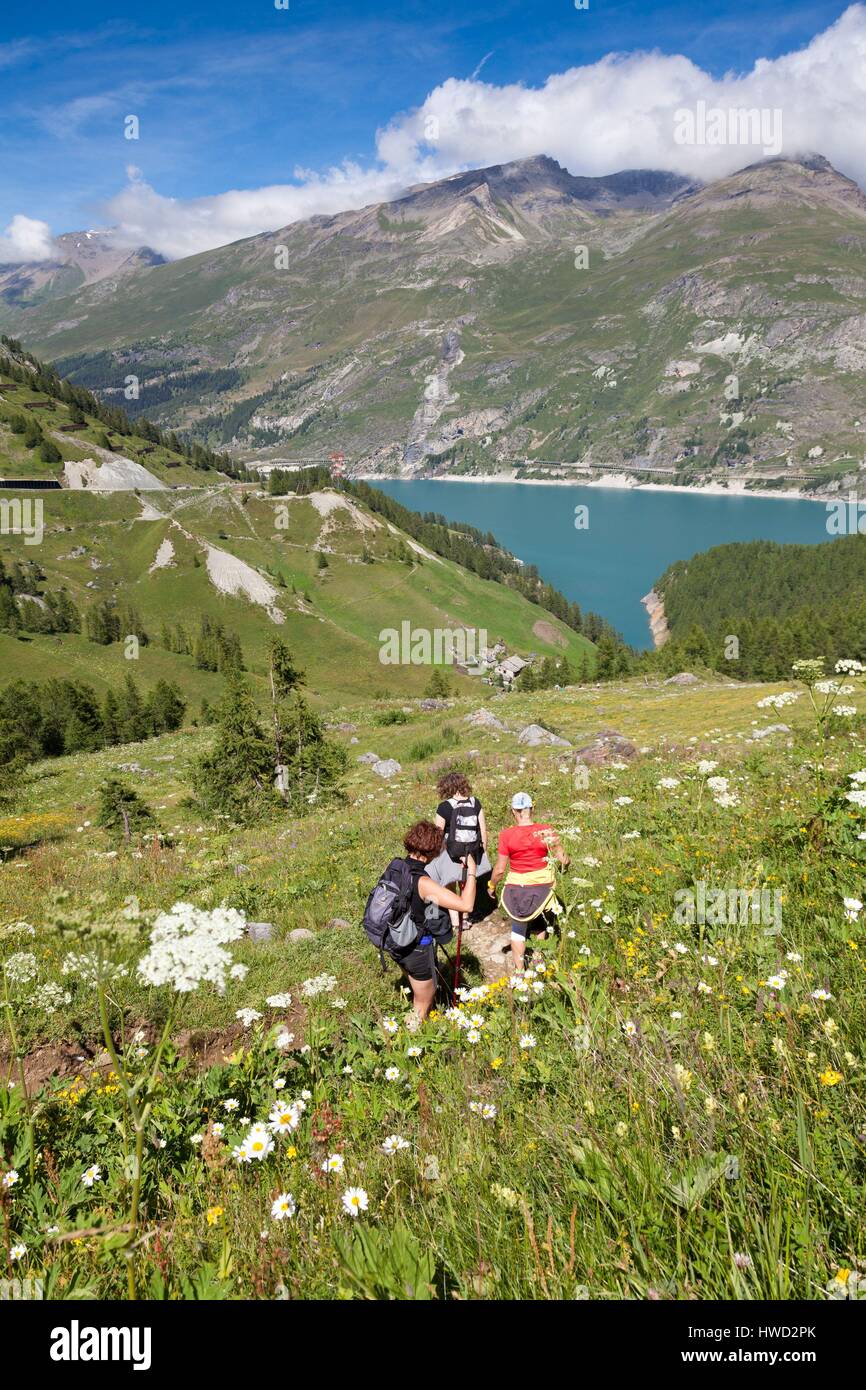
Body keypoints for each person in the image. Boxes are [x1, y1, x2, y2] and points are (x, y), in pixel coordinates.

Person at [398, 820, 477, 1023]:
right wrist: (472, 871)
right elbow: (466, 905)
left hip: (393, 940)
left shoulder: (397, 867)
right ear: (433, 851)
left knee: (420, 983)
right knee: (422, 1002)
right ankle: (413, 1037)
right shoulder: (424, 882)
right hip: (415, 949)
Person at [490, 792, 569, 971]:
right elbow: (563, 859)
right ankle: (538, 963)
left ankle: (519, 972)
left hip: (517, 887)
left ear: (513, 811)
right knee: (540, 922)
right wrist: (564, 868)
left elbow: (500, 870)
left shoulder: (506, 835)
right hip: (542, 887)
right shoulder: (546, 831)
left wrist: (491, 886)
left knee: (518, 929)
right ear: (532, 809)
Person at [434, 772, 495, 925]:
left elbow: (438, 834)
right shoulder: (475, 803)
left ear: (446, 788)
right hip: (471, 848)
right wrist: (483, 851)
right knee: (467, 880)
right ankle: (466, 917)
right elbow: (483, 830)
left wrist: (437, 855)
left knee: (449, 883)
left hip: (450, 849)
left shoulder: (444, 807)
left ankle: (456, 921)